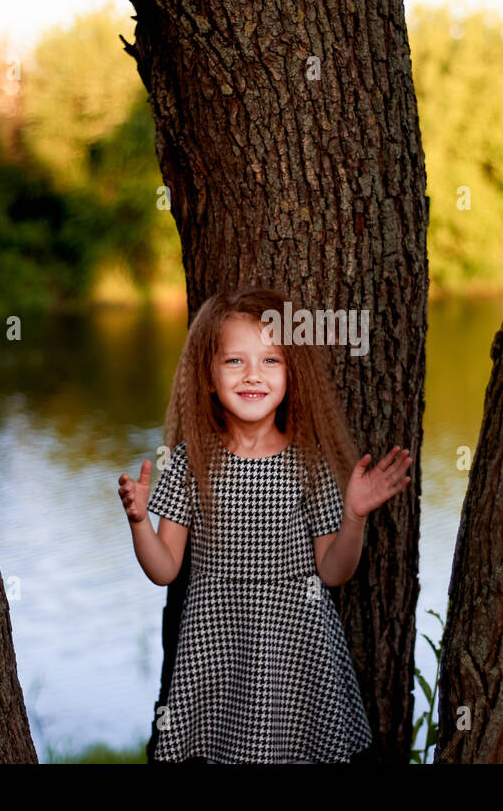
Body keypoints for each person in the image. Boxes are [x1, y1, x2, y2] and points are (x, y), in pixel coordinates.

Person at [118, 286, 411, 763]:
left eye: (271, 361)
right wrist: (138, 523)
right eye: (235, 361)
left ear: (292, 376)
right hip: (217, 644)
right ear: (209, 377)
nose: (253, 375)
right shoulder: (191, 462)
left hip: (297, 643)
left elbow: (333, 572)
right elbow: (165, 570)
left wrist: (354, 515)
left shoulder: (310, 464)